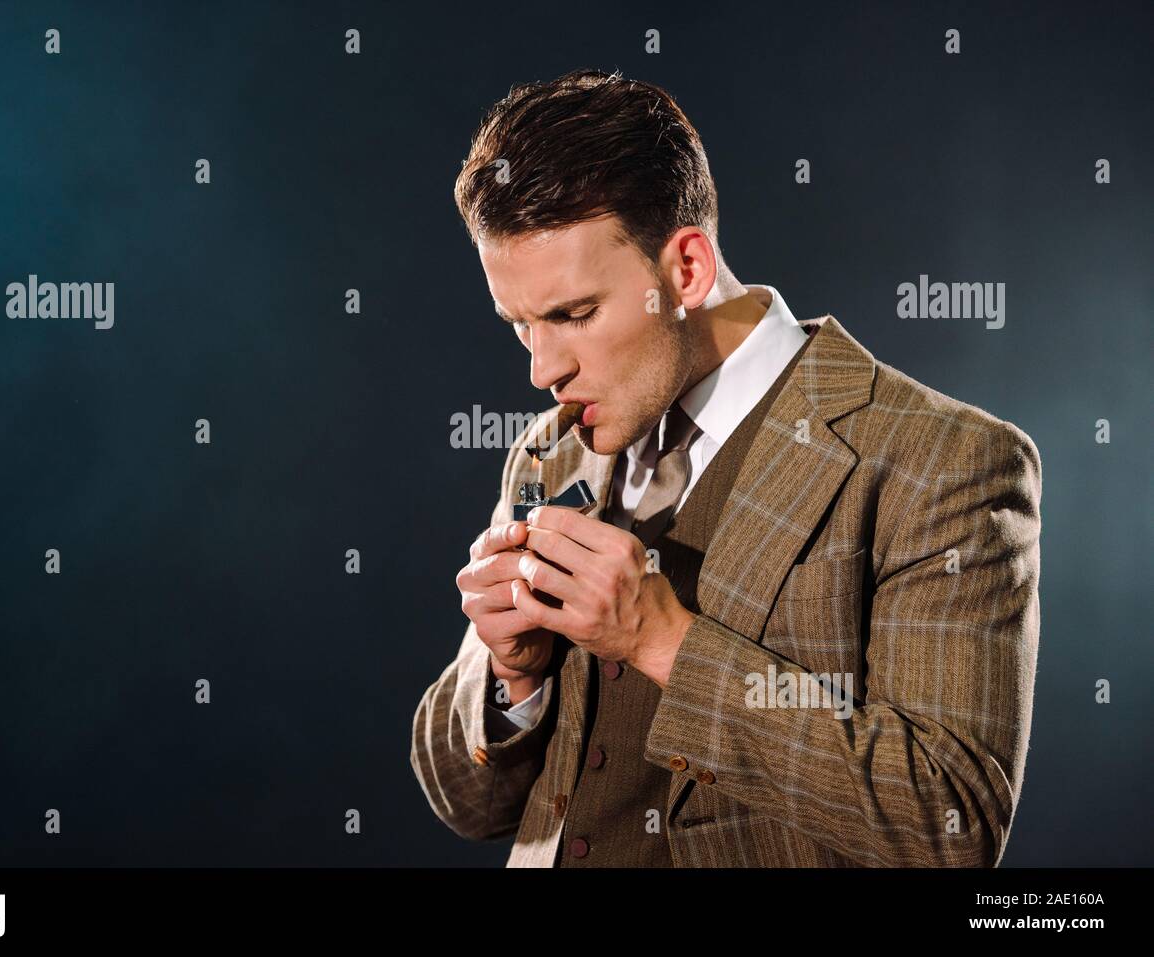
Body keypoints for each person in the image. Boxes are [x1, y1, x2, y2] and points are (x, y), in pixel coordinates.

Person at [410, 69, 1041, 867]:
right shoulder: (549, 448)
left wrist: (662, 640)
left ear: (686, 270)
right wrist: (513, 675)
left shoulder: (945, 460)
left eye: (573, 315)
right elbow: (468, 805)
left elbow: (949, 825)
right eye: (520, 325)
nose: (542, 371)